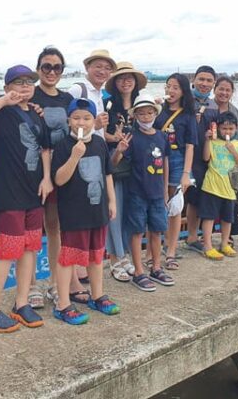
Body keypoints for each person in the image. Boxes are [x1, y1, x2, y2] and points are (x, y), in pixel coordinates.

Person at [0, 65, 53, 333]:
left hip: (33, 192)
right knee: (6, 252)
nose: (25, 86)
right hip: (8, 193)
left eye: (29, 82)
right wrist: (4, 100)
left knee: (30, 249)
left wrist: (47, 178)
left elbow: (45, 149)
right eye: (18, 82)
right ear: (6, 88)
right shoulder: (1, 112)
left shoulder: (38, 116)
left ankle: (22, 302)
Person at [51, 98, 120, 324]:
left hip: (97, 210)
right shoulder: (62, 146)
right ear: (69, 120)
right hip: (73, 212)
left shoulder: (99, 144)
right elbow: (59, 180)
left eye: (87, 118)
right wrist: (74, 156)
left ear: (94, 120)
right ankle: (63, 304)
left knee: (96, 256)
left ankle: (97, 295)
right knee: (68, 258)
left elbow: (107, 174)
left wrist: (112, 201)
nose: (82, 122)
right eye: (77, 118)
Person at [27, 46, 84, 308]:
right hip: (31, 169)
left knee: (56, 228)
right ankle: (29, 285)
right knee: (30, 229)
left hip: (60, 170)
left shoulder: (65, 100)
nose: (51, 71)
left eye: (57, 67)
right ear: (39, 69)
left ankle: (55, 281)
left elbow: (80, 125)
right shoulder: (30, 94)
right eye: (46, 66)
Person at [112, 93, 173, 291]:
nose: (146, 117)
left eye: (149, 113)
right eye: (141, 114)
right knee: (137, 232)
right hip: (137, 193)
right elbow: (113, 164)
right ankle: (138, 271)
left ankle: (156, 267)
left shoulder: (162, 136)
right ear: (135, 115)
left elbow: (165, 163)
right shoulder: (132, 137)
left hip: (157, 194)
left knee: (157, 231)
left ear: (155, 113)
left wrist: (165, 191)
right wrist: (119, 150)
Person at [103, 62, 146, 283]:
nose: (126, 81)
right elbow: (101, 135)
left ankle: (126, 254)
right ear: (115, 83)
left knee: (131, 212)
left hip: (138, 167)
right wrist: (113, 140)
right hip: (116, 164)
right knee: (115, 213)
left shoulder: (143, 106)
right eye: (121, 78)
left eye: (130, 78)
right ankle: (114, 258)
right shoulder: (108, 107)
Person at [155, 73, 198, 270]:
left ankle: (170, 251)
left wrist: (186, 173)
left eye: (175, 88)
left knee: (174, 208)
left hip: (177, 161)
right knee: (154, 205)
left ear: (183, 92)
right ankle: (152, 252)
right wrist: (151, 108)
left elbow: (190, 146)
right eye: (168, 86)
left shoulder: (188, 115)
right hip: (155, 161)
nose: (170, 91)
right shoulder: (158, 111)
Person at [199, 112, 238, 259]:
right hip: (211, 186)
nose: (227, 132)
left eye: (230, 129)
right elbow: (206, 157)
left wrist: (233, 150)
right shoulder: (214, 142)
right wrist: (207, 141)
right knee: (208, 217)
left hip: (230, 188)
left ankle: (225, 243)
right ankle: (208, 245)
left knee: (227, 218)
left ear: (236, 128)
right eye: (224, 129)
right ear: (218, 129)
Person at [184, 66, 217, 254]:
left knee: (196, 200)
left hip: (205, 157)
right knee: (175, 198)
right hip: (185, 154)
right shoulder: (185, 101)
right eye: (201, 79)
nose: (204, 84)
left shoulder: (213, 105)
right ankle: (166, 242)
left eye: (208, 80)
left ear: (213, 83)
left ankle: (192, 237)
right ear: (194, 80)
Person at [68, 49, 116, 139]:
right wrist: (94, 125)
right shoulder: (78, 90)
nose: (102, 72)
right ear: (87, 68)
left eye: (107, 68)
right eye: (98, 66)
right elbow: (65, 126)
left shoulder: (100, 93)